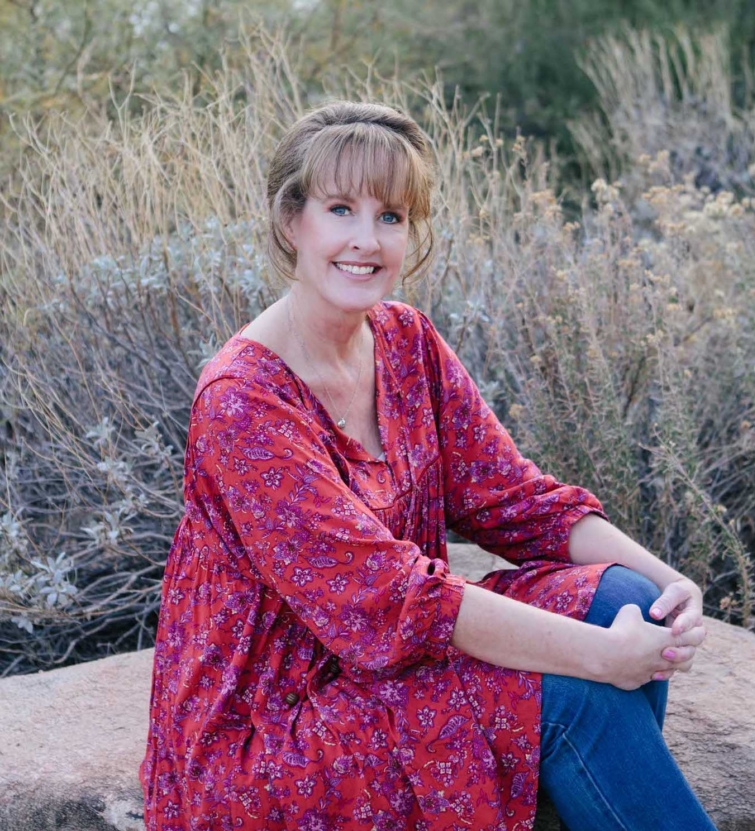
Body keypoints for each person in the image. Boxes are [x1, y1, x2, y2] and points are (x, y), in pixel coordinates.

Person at [140, 99, 718, 830]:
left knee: (624, 598)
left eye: (391, 216)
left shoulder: (405, 341)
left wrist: (672, 582)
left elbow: (519, 500)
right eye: (340, 208)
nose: (366, 240)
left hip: (381, 670)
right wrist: (606, 658)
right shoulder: (243, 402)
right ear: (292, 222)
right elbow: (397, 602)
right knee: (577, 686)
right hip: (264, 731)